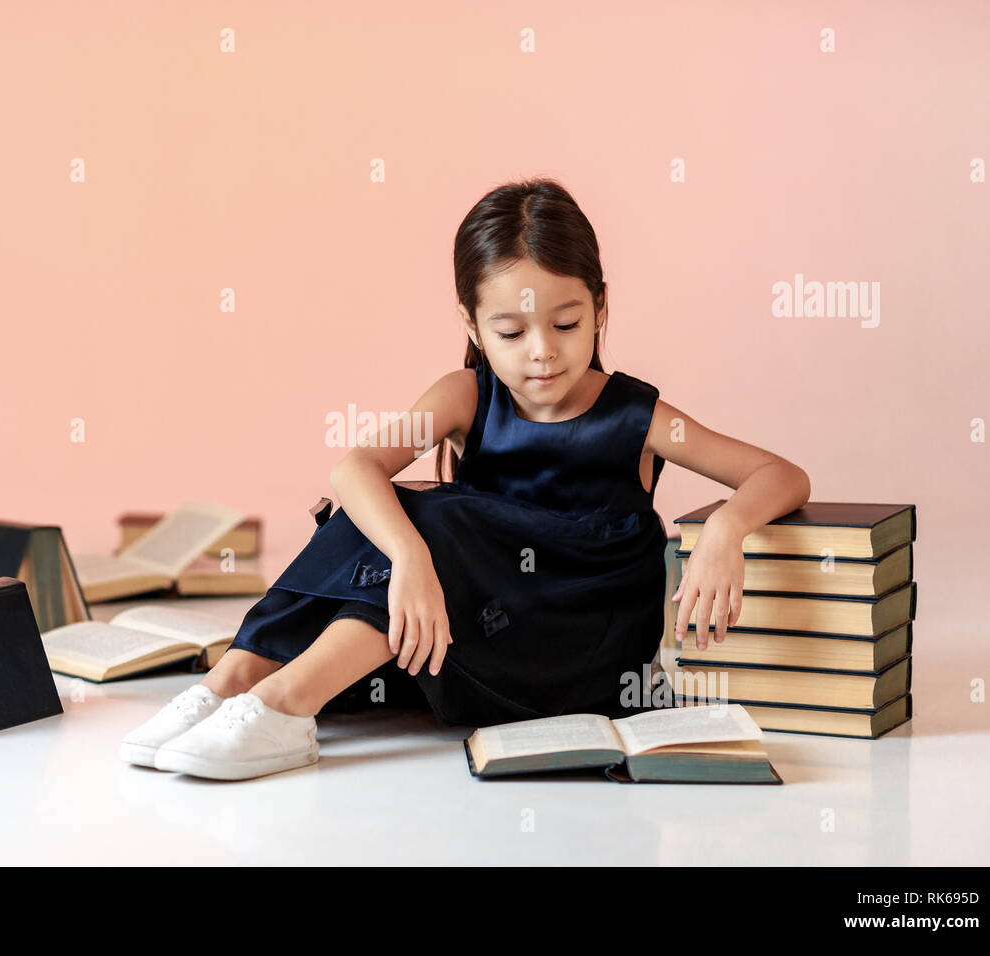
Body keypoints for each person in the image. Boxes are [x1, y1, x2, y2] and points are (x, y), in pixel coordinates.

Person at [119, 177, 811, 781]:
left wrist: (726, 527)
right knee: (377, 509)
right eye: (511, 332)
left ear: (601, 307)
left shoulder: (633, 414)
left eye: (566, 324)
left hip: (578, 641)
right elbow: (355, 467)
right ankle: (233, 680)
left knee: (441, 513)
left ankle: (284, 705)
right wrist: (409, 558)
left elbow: (778, 473)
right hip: (472, 623)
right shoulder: (467, 395)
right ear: (473, 326)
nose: (542, 353)